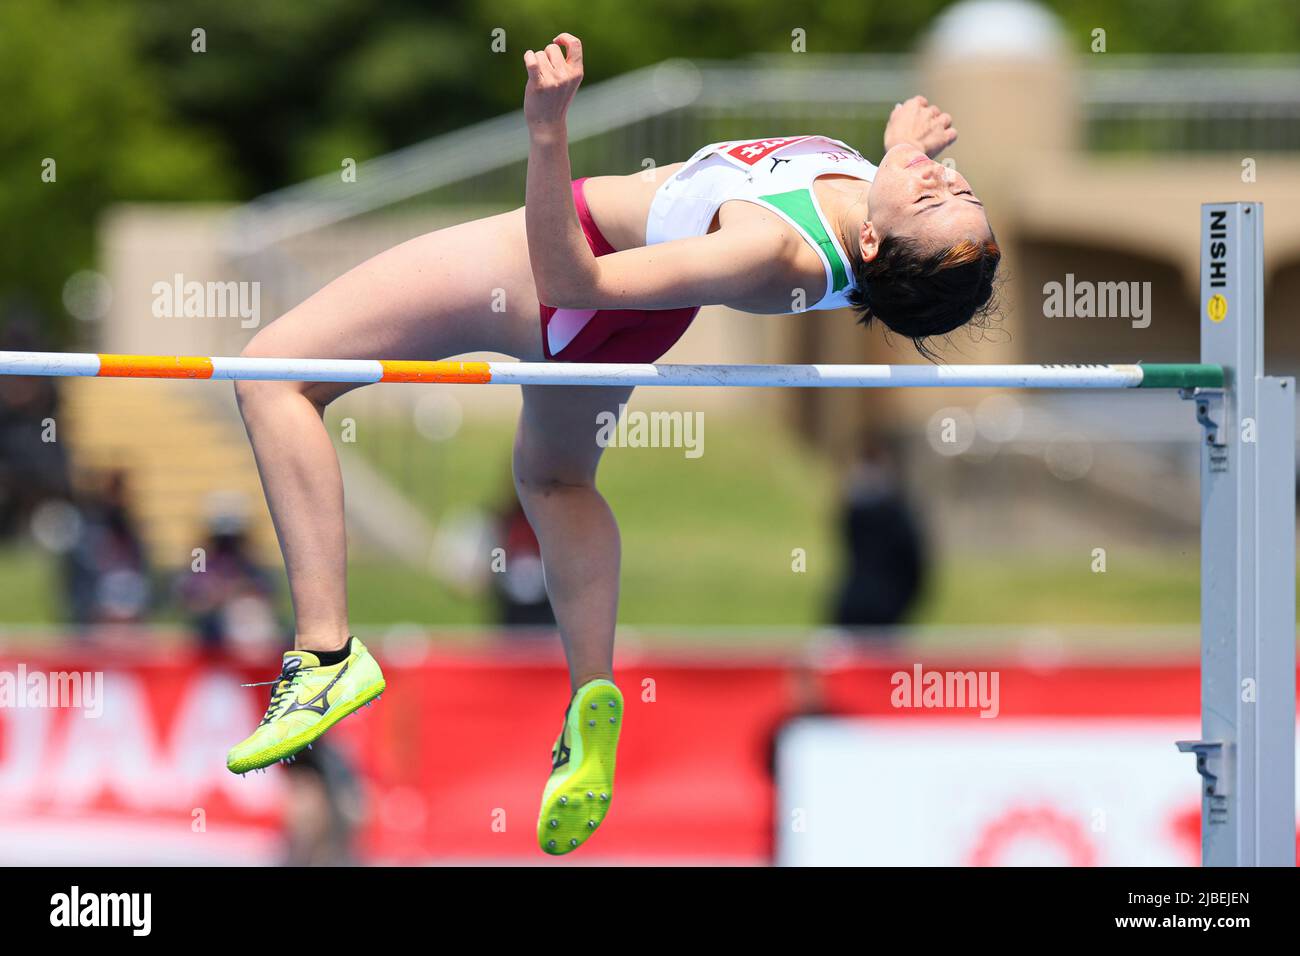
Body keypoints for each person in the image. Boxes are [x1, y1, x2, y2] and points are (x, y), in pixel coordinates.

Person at [225, 33, 1000, 856]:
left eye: (933, 196)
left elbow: (570, 284)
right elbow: (889, 206)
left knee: (273, 375)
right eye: (956, 184)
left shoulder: (773, 250)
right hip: (629, 315)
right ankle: (590, 691)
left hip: (568, 264)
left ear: (876, 247)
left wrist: (547, 129)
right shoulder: (876, 205)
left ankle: (325, 652)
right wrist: (903, 151)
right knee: (555, 482)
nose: (940, 177)